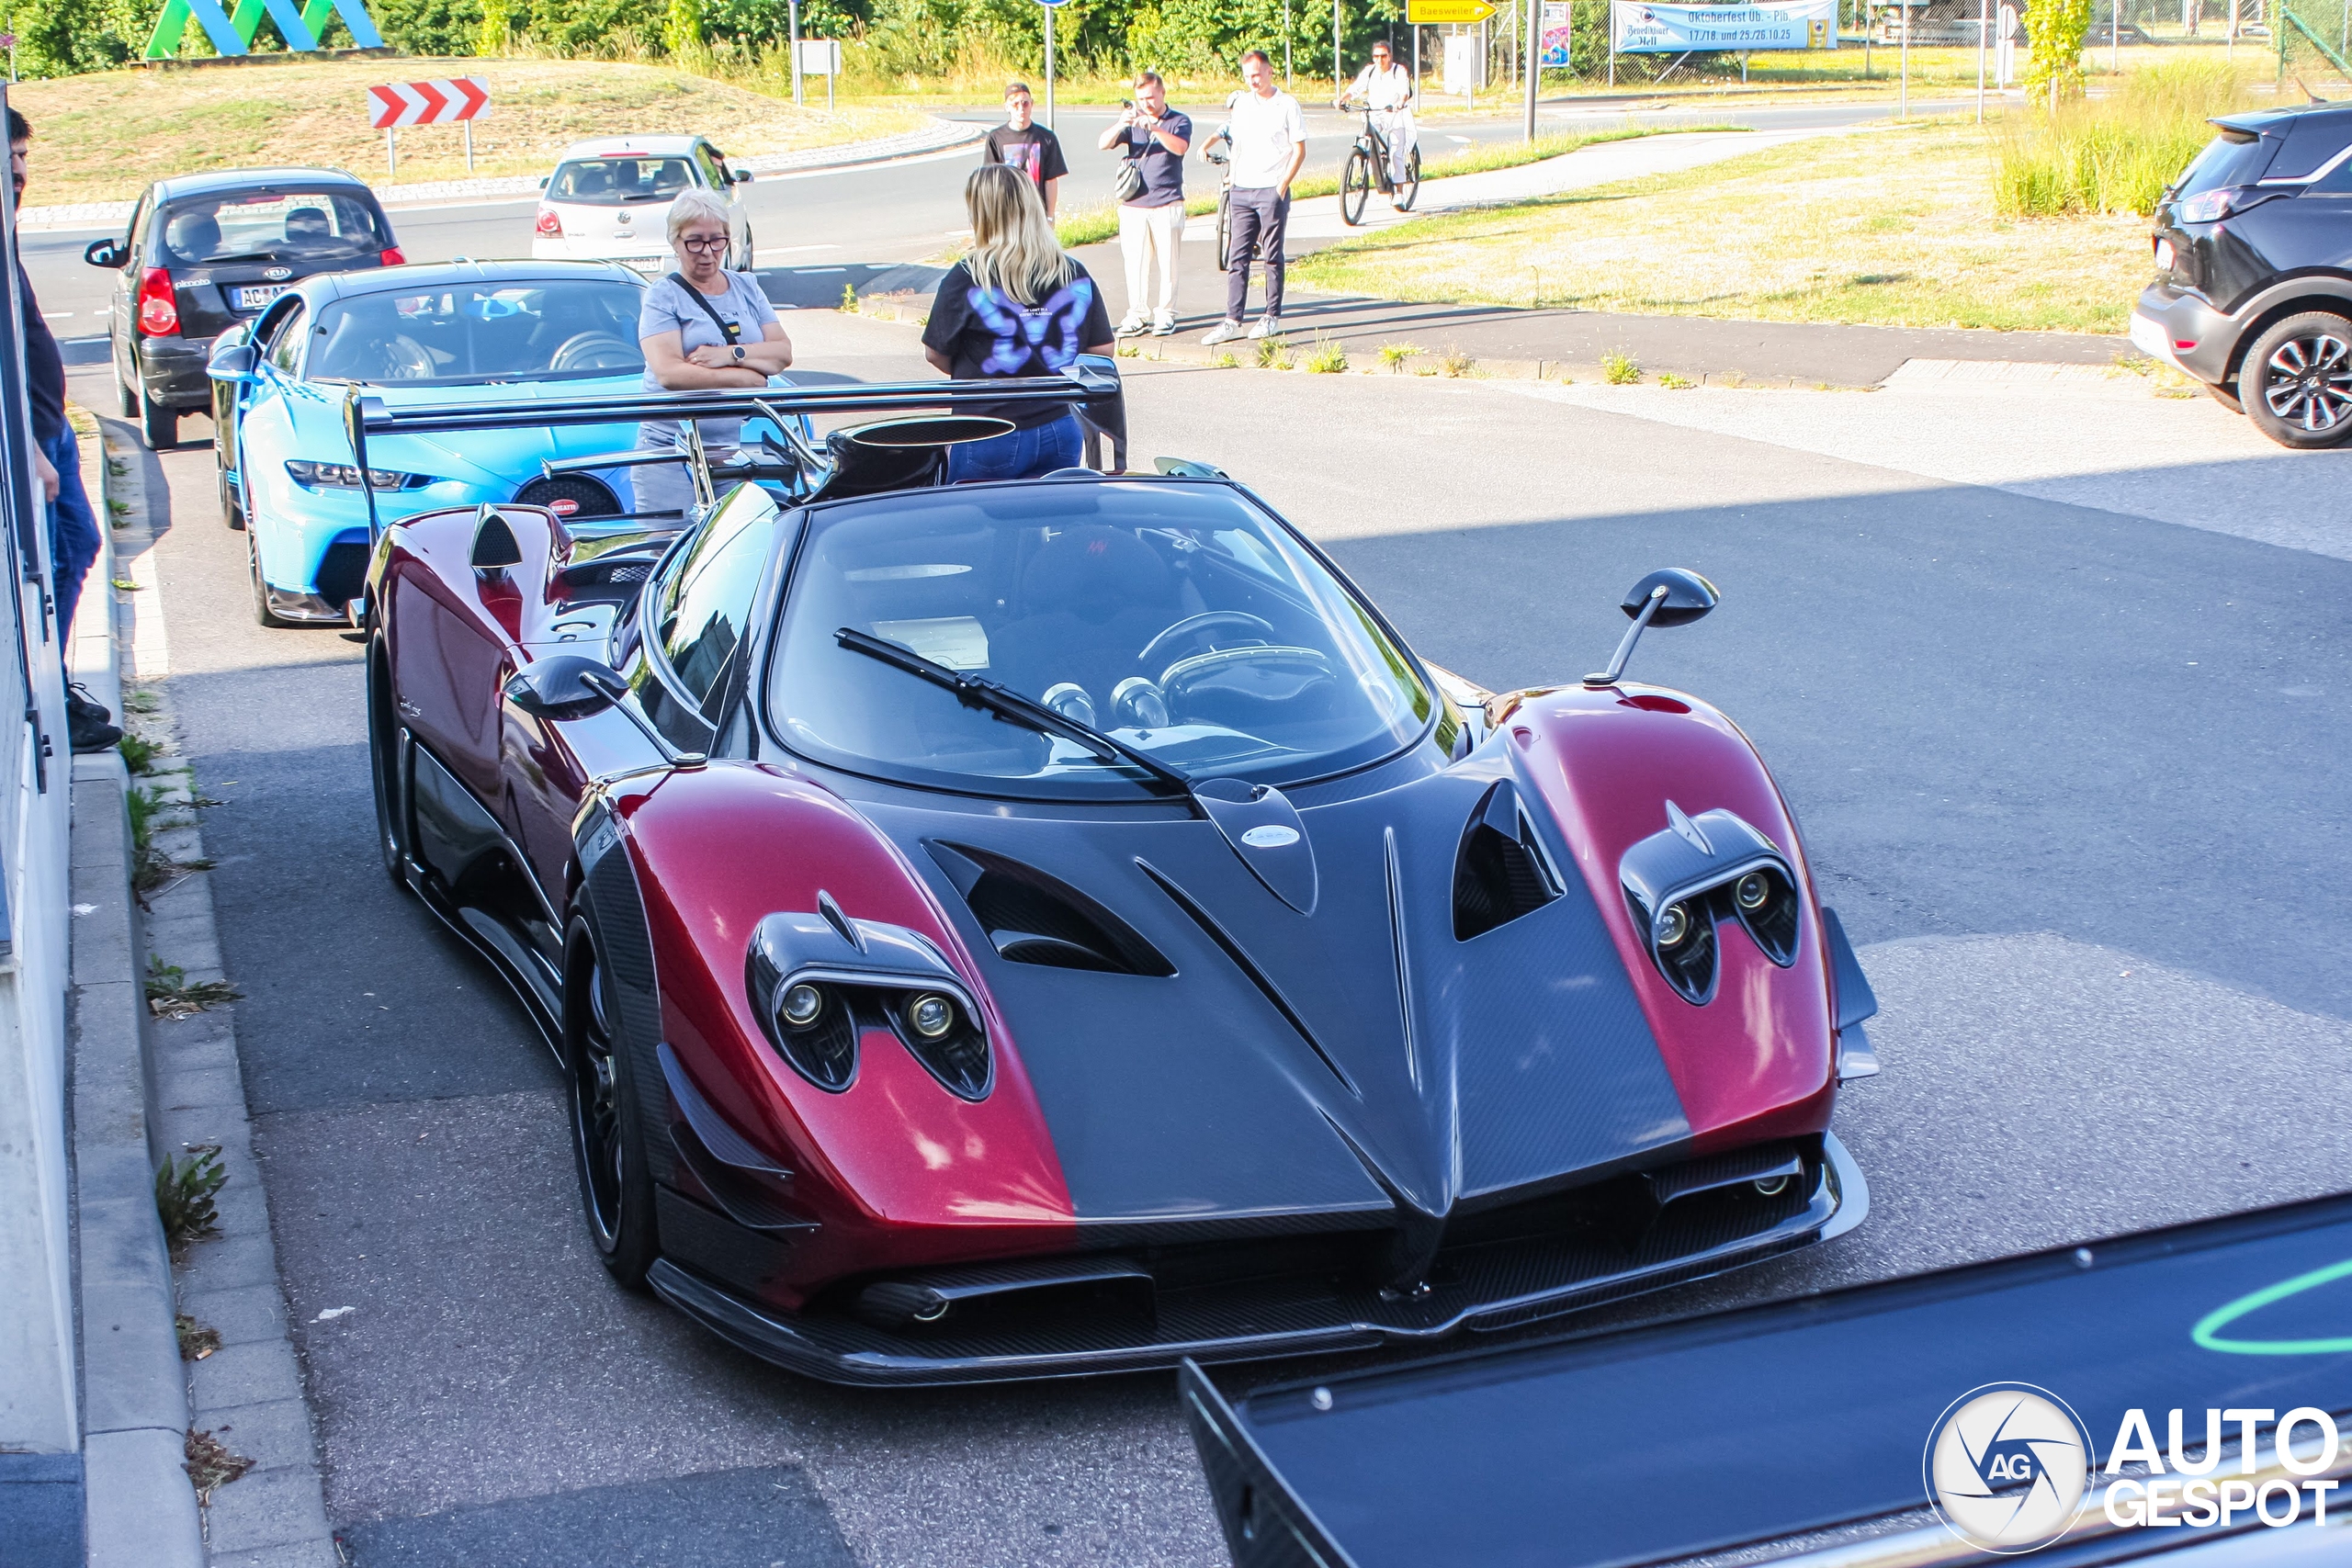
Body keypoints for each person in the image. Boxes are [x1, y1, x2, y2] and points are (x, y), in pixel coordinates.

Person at [8, 108, 116, 752]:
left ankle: (57, 682)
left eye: (25, 156)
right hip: (34, 443)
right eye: (10, 156)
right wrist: (28, 452)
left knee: (75, 548)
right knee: (54, 560)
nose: (21, 171)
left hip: (51, 431)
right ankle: (48, 690)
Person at [921, 164, 1114, 483]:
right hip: (1062, 424)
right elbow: (1102, 350)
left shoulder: (970, 275)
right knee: (1044, 524)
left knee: (984, 527)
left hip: (987, 428)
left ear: (983, 214)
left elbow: (935, 353)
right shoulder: (1071, 271)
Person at [635, 187, 794, 518]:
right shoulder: (662, 296)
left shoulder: (747, 286)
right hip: (671, 451)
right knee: (668, 546)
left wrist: (730, 354)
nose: (706, 252)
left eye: (716, 240)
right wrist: (746, 378)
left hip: (727, 452)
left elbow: (781, 353)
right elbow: (670, 373)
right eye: (695, 241)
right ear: (675, 242)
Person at [1202, 51, 1306, 346]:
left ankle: (1271, 314)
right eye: (1248, 76)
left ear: (1270, 72)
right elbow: (1237, 144)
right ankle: (1232, 319)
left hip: (1270, 188)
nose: (1253, 81)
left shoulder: (1286, 105)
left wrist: (1282, 185)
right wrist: (1232, 177)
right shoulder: (1243, 104)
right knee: (1237, 257)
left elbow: (1299, 149)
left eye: (1257, 75)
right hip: (1242, 189)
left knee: (1272, 255)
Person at [1097, 72, 1192, 338]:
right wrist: (1120, 124)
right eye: (1141, 98)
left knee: (1168, 263)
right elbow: (1103, 144)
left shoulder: (1178, 120)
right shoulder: (1134, 122)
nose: (1146, 103)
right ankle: (1137, 313)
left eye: (1150, 97)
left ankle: (1166, 313)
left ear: (1162, 93)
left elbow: (1180, 147)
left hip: (1167, 203)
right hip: (1134, 205)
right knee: (1135, 263)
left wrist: (1156, 128)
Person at [980, 81, 1069, 220]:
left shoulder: (1047, 137)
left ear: (1032, 104)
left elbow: (1051, 180)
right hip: (1008, 214)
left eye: (1025, 103)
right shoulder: (996, 138)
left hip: (1037, 214)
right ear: (1007, 107)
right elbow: (992, 182)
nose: (1021, 108)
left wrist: (1050, 217)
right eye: (1015, 104)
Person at [1341, 39, 1417, 187]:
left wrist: (1400, 102)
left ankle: (1399, 191)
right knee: (1364, 142)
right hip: (1375, 113)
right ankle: (1370, 171)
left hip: (1395, 115)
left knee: (1395, 152)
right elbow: (1356, 87)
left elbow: (1404, 90)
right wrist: (1342, 98)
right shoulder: (1370, 71)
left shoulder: (1398, 70)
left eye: (1383, 56)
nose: (1379, 60)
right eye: (1376, 56)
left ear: (1389, 56)